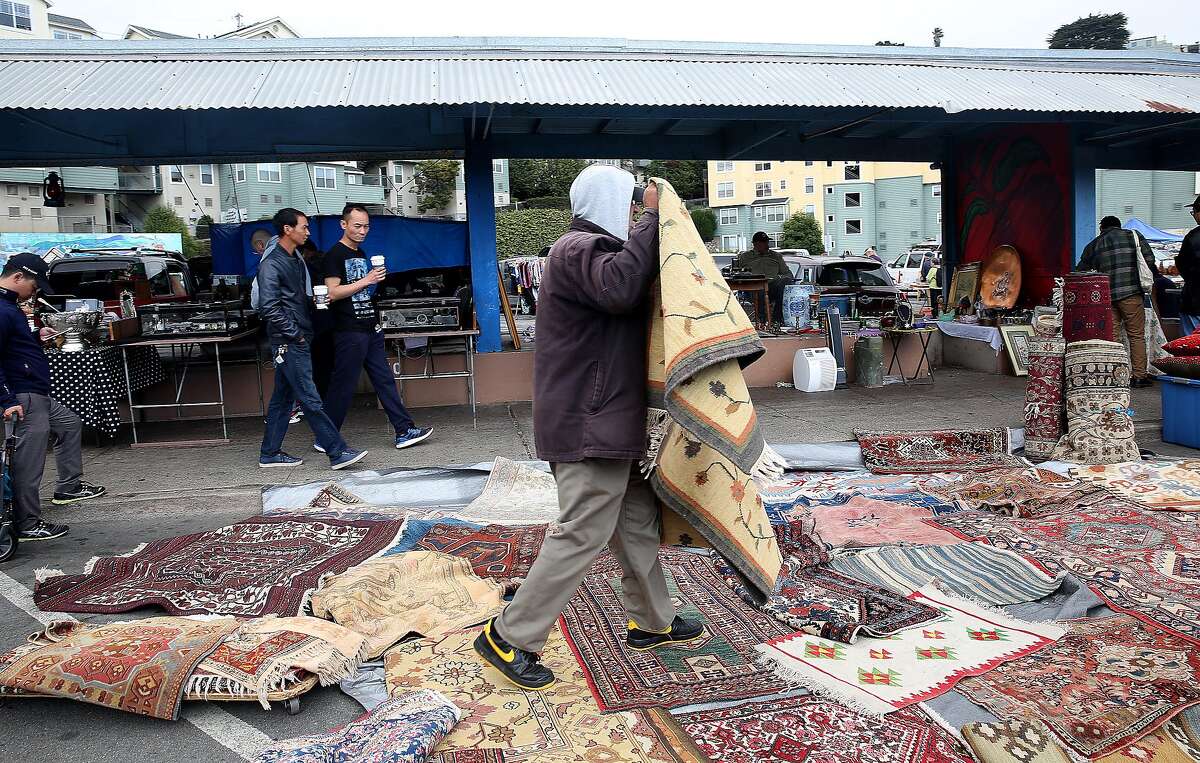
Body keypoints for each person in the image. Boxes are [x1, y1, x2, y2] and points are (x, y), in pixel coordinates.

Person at [473, 165, 702, 691]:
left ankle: (653, 620)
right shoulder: (575, 250)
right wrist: (653, 217)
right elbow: (621, 289)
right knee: (583, 530)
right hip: (587, 421)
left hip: (605, 419)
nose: (632, 214)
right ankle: (509, 636)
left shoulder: (595, 253)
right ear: (607, 202)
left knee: (634, 521)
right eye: (626, 204)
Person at [0, 253, 106, 542]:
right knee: (27, 461)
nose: (36, 291)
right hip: (22, 394)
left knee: (69, 423)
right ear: (18, 277)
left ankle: (68, 486)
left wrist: (36, 337)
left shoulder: (10, 306)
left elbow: (12, 347)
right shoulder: (3, 308)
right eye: (35, 284)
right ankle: (26, 522)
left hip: (34, 390)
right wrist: (8, 400)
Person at [257, 208, 367, 470]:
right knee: (310, 397)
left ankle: (270, 453)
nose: (308, 232)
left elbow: (292, 300)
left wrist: (314, 301)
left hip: (297, 335)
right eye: (304, 227)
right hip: (289, 340)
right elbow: (269, 307)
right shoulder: (272, 263)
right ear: (288, 229)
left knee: (283, 400)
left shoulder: (294, 259)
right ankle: (336, 450)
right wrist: (295, 334)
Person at [321, 204, 433, 451]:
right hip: (348, 329)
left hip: (368, 326)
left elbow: (359, 291)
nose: (362, 231)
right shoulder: (334, 255)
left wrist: (372, 285)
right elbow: (333, 293)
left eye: (366, 226)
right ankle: (325, 437)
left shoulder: (359, 253)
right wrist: (367, 280)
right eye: (357, 226)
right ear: (344, 225)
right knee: (344, 384)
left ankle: (404, 430)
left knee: (384, 379)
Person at [1078, 215, 1157, 388]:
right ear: (1119, 226)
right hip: (1131, 294)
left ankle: (1115, 376)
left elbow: (1081, 270)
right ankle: (1138, 376)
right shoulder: (1133, 236)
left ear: (1102, 228)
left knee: (1112, 338)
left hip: (1106, 298)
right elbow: (1149, 261)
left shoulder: (1094, 244)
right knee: (1136, 335)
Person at [734, 231, 790, 324]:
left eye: (766, 242)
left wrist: (779, 278)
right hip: (752, 288)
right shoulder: (745, 256)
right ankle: (761, 320)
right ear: (755, 244)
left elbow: (787, 274)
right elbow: (737, 273)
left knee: (785, 282)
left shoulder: (776, 256)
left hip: (772, 287)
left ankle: (777, 319)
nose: (766, 244)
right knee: (760, 288)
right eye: (763, 242)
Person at [1177, 196, 1200, 336]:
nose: (1193, 216)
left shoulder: (1193, 237)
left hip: (1194, 301)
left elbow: (1182, 265)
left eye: (1194, 212)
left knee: (1190, 348)